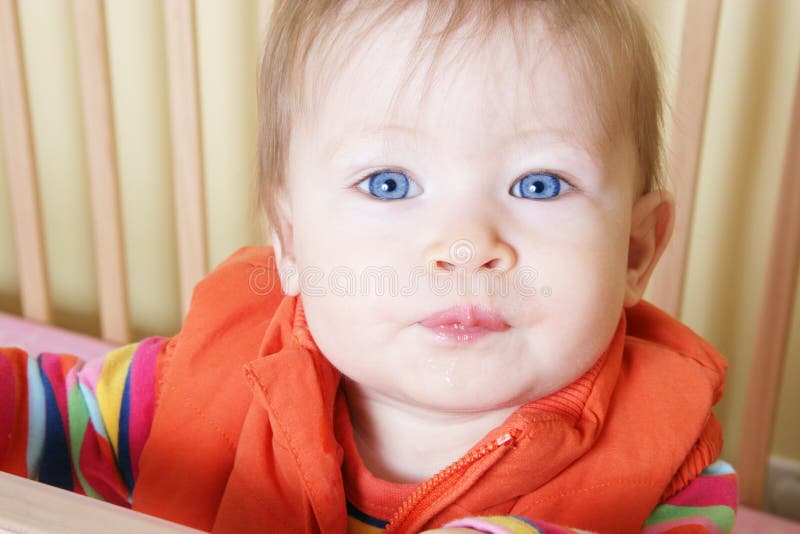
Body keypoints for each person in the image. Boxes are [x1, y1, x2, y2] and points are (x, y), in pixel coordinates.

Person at [0, 1, 738, 532]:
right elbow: (43, 418)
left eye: (539, 184)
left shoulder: (668, 467)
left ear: (636, 250)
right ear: (292, 243)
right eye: (389, 183)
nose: (464, 246)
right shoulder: (198, 382)